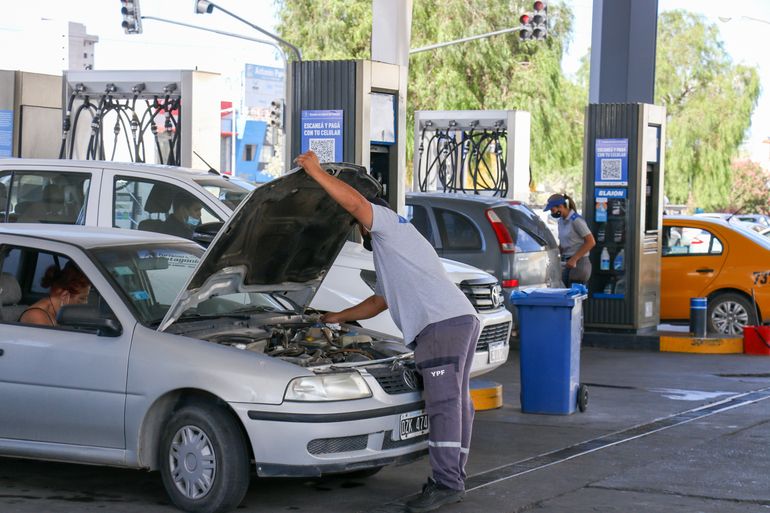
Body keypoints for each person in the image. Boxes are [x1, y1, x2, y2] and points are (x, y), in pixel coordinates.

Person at [295, 150, 480, 513]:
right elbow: (378, 302)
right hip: (457, 320)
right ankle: (454, 475)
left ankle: (446, 483)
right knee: (458, 404)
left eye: (355, 222)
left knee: (443, 405)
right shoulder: (391, 246)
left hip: (440, 325)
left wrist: (315, 172)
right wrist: (335, 317)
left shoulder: (387, 223)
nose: (356, 227)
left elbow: (355, 201)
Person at [544, 193, 596, 287]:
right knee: (564, 295)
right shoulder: (561, 221)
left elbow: (591, 242)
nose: (552, 213)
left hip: (579, 263)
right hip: (567, 263)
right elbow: (563, 244)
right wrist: (553, 256)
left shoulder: (576, 220)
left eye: (552, 209)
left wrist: (574, 259)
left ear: (560, 206)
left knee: (573, 298)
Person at [19, 262, 91, 326]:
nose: (85, 303)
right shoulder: (37, 316)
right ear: (65, 295)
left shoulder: (57, 314)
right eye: (82, 299)